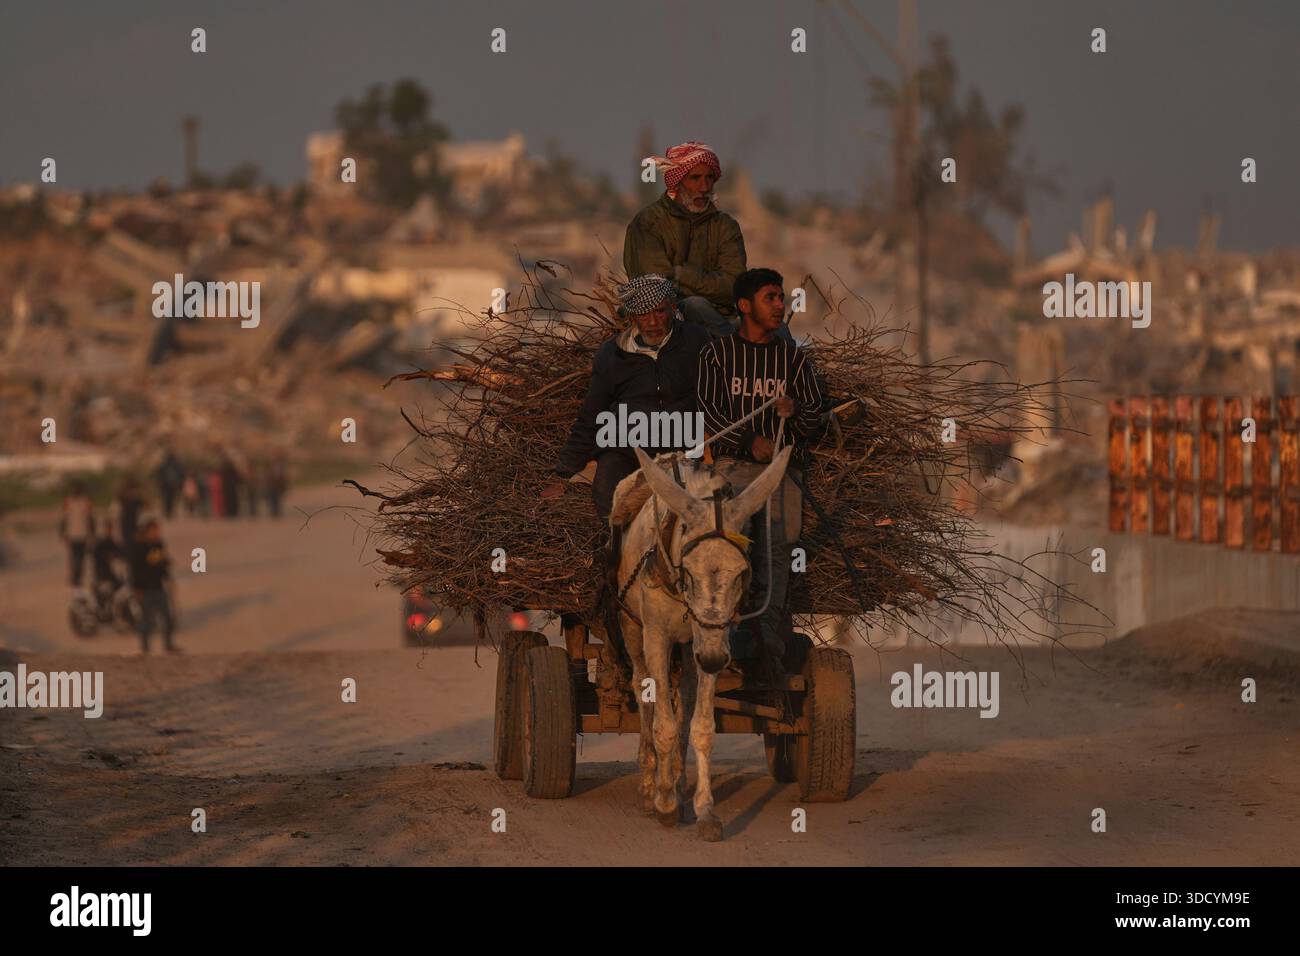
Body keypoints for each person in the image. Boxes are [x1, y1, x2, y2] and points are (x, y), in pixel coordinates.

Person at [696, 268, 825, 675]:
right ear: (744, 305)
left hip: (781, 472)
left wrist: (796, 411)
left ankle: (768, 644)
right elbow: (708, 412)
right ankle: (724, 635)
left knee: (777, 553)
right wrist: (750, 441)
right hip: (732, 469)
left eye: (781, 297)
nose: (780, 305)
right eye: (770, 297)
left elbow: (817, 418)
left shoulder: (793, 359)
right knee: (729, 550)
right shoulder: (715, 355)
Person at [541, 274, 710, 525]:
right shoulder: (611, 355)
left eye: (660, 312)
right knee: (608, 488)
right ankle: (618, 552)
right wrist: (563, 473)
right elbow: (591, 414)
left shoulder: (696, 340)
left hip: (683, 445)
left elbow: (715, 394)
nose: (653, 322)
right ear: (632, 318)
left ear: (673, 309)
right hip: (627, 448)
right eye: (643, 315)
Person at [624, 142, 747, 338]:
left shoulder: (726, 226)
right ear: (678, 181)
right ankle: (739, 349)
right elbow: (656, 291)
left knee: (776, 327)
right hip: (671, 322)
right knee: (695, 305)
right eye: (695, 178)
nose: (704, 187)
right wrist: (709, 287)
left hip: (724, 318)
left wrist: (682, 273)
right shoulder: (648, 223)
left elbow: (735, 287)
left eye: (709, 178)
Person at [129, 518, 177, 653]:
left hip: (158, 587)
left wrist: (169, 579)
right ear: (147, 532)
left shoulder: (158, 545)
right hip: (145, 590)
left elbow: (161, 565)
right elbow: (135, 569)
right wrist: (136, 588)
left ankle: (168, 645)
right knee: (146, 621)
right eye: (154, 530)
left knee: (167, 617)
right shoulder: (139, 548)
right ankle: (145, 648)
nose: (157, 533)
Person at [59, 481, 95, 587]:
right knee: (79, 556)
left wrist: (62, 532)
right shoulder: (86, 501)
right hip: (81, 533)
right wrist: (92, 533)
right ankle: (76, 576)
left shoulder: (69, 501)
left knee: (74, 556)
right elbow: (90, 519)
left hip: (73, 533)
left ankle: (76, 577)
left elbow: (64, 519)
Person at [154, 448, 185, 520]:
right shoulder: (177, 465)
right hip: (173, 485)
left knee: (166, 499)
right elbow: (182, 474)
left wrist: (159, 482)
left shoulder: (164, 465)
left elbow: (158, 474)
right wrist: (180, 484)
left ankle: (167, 512)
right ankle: (169, 512)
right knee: (172, 499)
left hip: (165, 485)